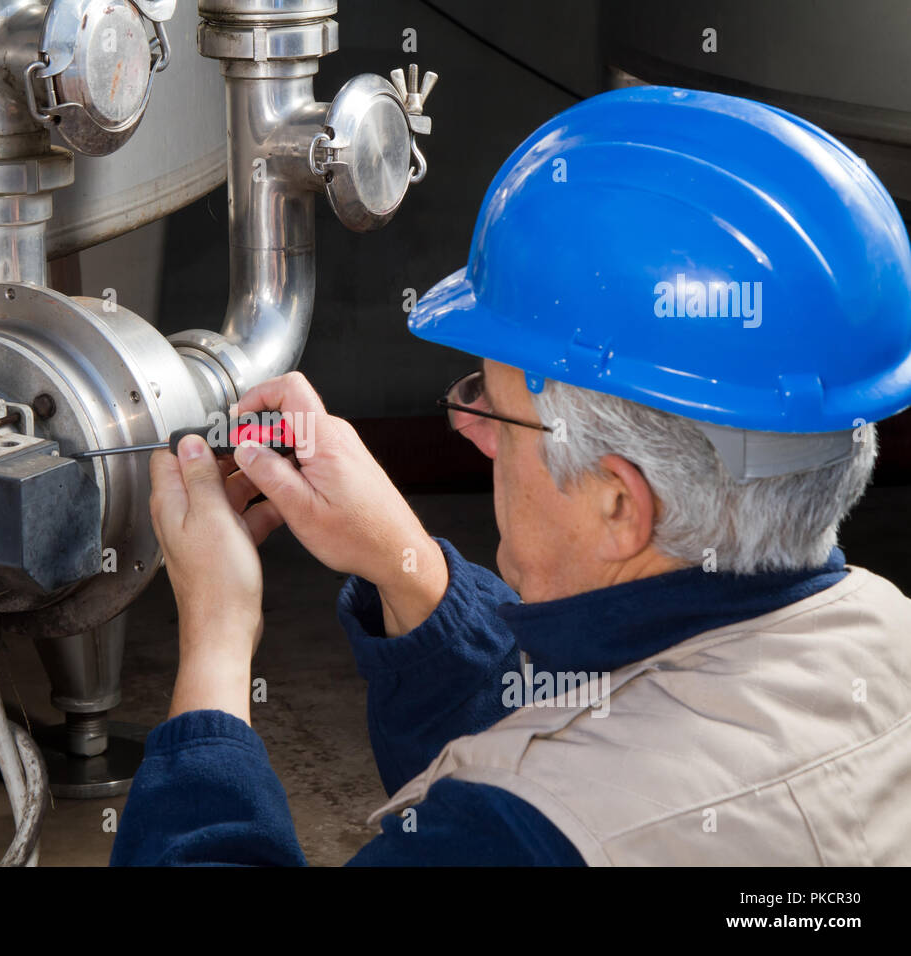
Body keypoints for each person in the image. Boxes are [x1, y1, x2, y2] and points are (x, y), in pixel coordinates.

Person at [109, 86, 911, 866]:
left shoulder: (522, 837)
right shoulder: (884, 639)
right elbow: (588, 715)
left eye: (495, 411)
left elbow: (543, 798)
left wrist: (215, 643)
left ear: (619, 502)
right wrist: (405, 563)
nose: (470, 431)